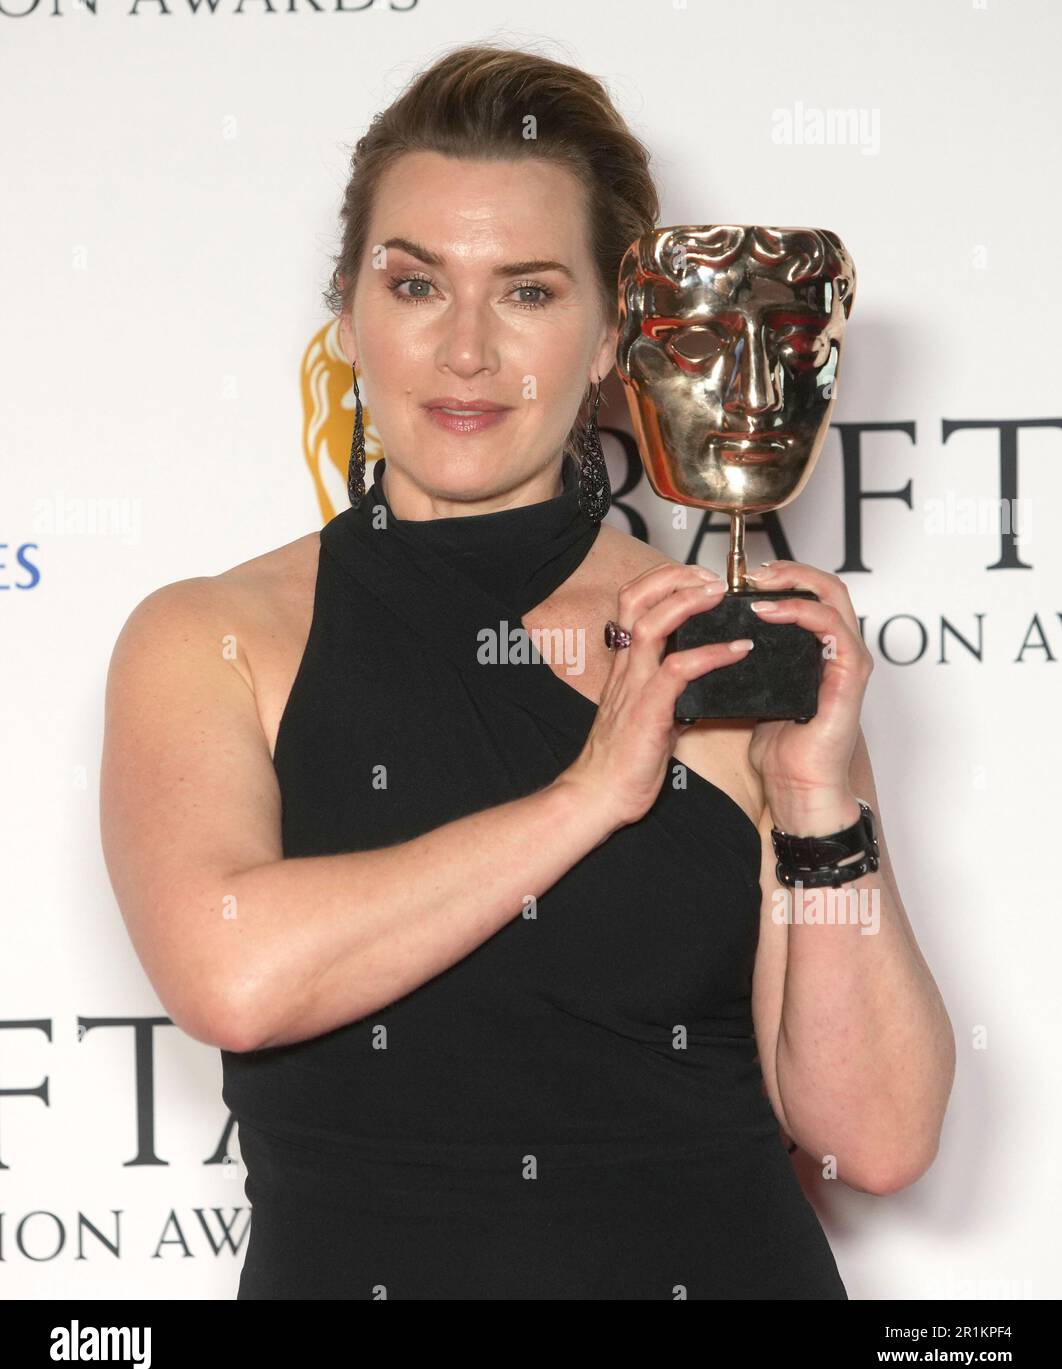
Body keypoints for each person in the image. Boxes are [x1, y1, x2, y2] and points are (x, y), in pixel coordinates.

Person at [98, 42, 954, 1300]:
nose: (465, 352)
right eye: (416, 284)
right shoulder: (214, 637)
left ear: (617, 334)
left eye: (530, 291)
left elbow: (873, 1137)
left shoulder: (716, 638)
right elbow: (236, 976)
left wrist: (820, 806)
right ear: (346, 309)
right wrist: (589, 795)